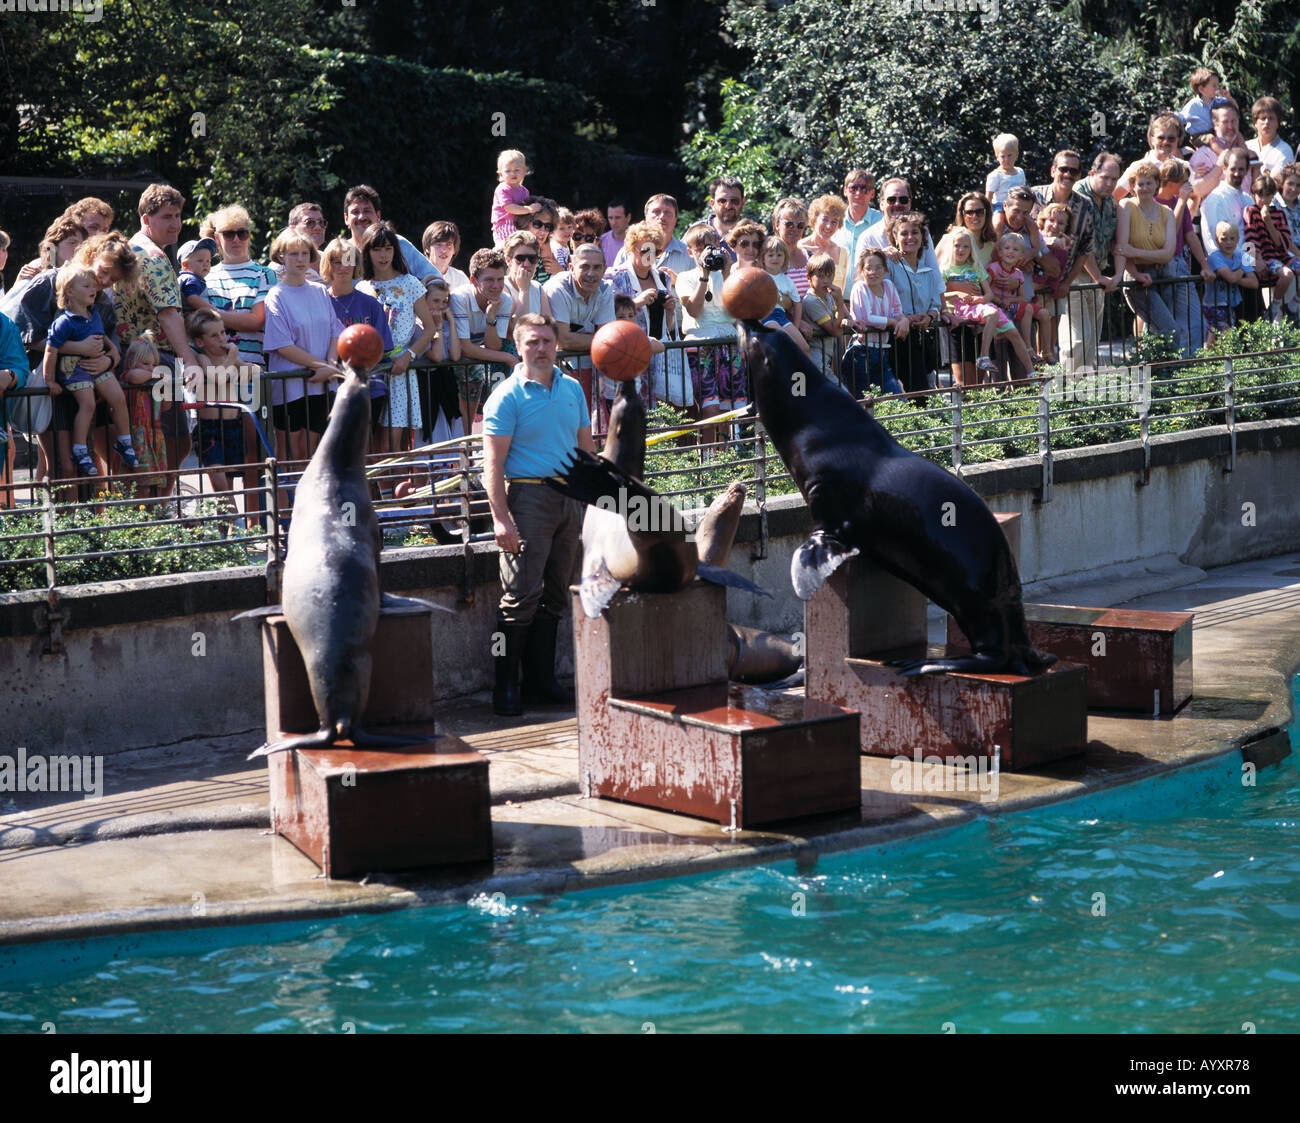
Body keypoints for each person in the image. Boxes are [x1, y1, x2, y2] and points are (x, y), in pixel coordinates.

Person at [481, 312, 597, 715]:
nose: (541, 348)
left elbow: (586, 451)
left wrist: (593, 503)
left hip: (569, 500)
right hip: (528, 498)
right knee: (518, 597)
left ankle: (540, 682)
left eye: (547, 341)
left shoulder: (572, 390)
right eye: (532, 342)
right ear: (518, 346)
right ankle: (504, 687)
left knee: (555, 596)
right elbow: (492, 463)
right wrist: (500, 518)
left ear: (556, 344)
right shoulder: (507, 395)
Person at [8, 232, 137, 484]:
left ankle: (84, 520)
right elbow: (23, 335)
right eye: (104, 271)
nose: (105, 281)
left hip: (86, 388)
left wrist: (107, 362)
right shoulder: (50, 282)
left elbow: (112, 349)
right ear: (91, 255)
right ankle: (63, 523)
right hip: (51, 387)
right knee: (62, 466)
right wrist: (77, 348)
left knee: (84, 468)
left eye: (113, 279)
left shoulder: (102, 303)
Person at [116, 183, 199, 473]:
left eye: (178, 215)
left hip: (130, 359)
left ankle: (148, 510)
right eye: (167, 216)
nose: (175, 223)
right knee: (171, 442)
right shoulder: (154, 256)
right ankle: (156, 512)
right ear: (146, 219)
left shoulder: (128, 249)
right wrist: (190, 360)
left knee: (145, 445)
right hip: (155, 361)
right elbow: (167, 315)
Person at [45, 261, 134, 477]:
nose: (93, 289)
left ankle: (124, 441)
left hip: (98, 365)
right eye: (86, 286)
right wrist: (50, 380)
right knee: (88, 404)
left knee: (118, 398)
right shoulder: (64, 321)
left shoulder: (93, 314)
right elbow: (51, 350)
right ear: (69, 291)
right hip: (75, 368)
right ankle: (79, 449)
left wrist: (113, 351)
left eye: (92, 286)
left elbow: (102, 336)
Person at [262, 228, 343, 462]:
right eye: (293, 254)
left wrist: (330, 365)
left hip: (322, 385)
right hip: (291, 386)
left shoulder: (320, 291)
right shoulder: (275, 295)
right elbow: (283, 345)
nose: (300, 259)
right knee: (289, 455)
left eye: (304, 253)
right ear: (281, 257)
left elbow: (334, 332)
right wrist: (323, 367)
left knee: (314, 454)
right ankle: (286, 500)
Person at [356, 220, 437, 454]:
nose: (383, 255)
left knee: (396, 442)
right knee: (372, 441)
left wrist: (408, 356)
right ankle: (377, 491)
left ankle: (398, 488)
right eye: (377, 249)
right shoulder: (361, 288)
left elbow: (430, 328)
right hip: (371, 369)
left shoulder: (410, 282)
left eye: (388, 248)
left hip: (400, 368)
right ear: (367, 252)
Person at [321, 237, 394, 446]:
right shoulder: (320, 302)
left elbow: (384, 347)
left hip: (369, 387)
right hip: (333, 388)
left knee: (363, 448)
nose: (343, 266)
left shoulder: (371, 304)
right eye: (336, 261)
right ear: (328, 264)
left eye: (348, 260)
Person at [938, 228, 1034, 383]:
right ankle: (984, 356)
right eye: (957, 246)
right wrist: (957, 294)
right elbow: (938, 295)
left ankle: (1031, 373)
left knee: (1014, 333)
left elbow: (988, 294)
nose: (961, 250)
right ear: (951, 247)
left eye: (966, 246)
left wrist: (979, 299)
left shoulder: (976, 267)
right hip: (960, 314)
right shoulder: (944, 269)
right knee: (965, 380)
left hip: (980, 309)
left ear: (971, 249)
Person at [608, 220, 679, 412]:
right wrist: (636, 302)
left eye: (656, 252)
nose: (650, 257)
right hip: (629, 355)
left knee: (662, 416)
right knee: (633, 414)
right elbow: (609, 318)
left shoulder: (662, 277)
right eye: (645, 251)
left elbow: (668, 326)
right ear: (631, 248)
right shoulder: (614, 276)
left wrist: (670, 311)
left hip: (658, 358)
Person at [1114, 162, 1183, 349]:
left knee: (1155, 336)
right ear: (1132, 186)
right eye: (1140, 184)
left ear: (1156, 185)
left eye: (1148, 183)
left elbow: (1168, 253)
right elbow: (1121, 247)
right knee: (1170, 332)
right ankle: (1171, 374)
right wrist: (1138, 266)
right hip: (1139, 279)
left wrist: (1135, 252)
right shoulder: (1126, 206)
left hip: (1165, 275)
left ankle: (1152, 374)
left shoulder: (1166, 212)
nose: (1144, 188)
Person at [676, 223, 741, 418]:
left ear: (719, 246)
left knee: (733, 409)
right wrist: (704, 275)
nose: (705, 253)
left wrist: (727, 272)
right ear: (690, 252)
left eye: (709, 247)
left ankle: (731, 449)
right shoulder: (685, 277)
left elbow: (736, 310)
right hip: (700, 345)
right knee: (709, 409)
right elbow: (694, 311)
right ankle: (708, 450)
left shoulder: (731, 275)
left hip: (729, 344)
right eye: (699, 249)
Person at [187, 306, 252, 501]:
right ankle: (237, 524)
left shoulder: (229, 358)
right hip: (210, 428)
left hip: (233, 425)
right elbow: (218, 378)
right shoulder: (203, 358)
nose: (222, 339)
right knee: (218, 478)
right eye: (214, 335)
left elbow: (252, 371)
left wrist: (240, 364)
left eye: (223, 332)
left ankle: (225, 528)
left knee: (228, 480)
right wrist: (232, 358)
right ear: (200, 341)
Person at [1066, 152, 1123, 370]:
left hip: (1098, 275)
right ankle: (1067, 391)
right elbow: (1082, 243)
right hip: (1076, 274)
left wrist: (1116, 276)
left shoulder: (1109, 200)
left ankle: (1086, 393)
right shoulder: (1078, 195)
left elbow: (1113, 241)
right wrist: (1099, 277)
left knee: (1092, 341)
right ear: (1092, 173)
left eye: (1114, 179)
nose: (1110, 183)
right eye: (1105, 177)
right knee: (1077, 339)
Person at [543, 242, 614, 413]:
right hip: (554, 372)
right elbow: (563, 340)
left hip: (587, 369)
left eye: (597, 267)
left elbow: (609, 335)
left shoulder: (605, 289)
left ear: (604, 270)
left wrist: (598, 339)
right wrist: (600, 339)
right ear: (571, 267)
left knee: (586, 422)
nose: (591, 274)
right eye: (584, 267)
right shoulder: (557, 288)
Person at [452, 247, 515, 433]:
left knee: (468, 415)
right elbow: (465, 348)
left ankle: (471, 450)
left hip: (471, 362)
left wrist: (491, 316)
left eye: (500, 279)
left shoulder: (504, 300)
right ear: (473, 280)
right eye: (489, 280)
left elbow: (493, 345)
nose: (496, 285)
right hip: (448, 357)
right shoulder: (459, 298)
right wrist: (507, 358)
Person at [1155, 157, 1212, 354]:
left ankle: (1191, 369)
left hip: (1180, 265)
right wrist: (1181, 201)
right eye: (1183, 182)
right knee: (1165, 324)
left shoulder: (1180, 202)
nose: (1188, 186)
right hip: (1161, 266)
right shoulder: (1153, 202)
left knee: (1195, 321)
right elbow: (1168, 234)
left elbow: (1189, 235)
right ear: (1171, 183)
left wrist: (1204, 266)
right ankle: (1165, 368)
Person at [884, 212, 944, 392]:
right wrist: (905, 319)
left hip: (923, 339)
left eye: (915, 232)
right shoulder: (888, 266)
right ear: (895, 237)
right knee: (915, 395)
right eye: (904, 233)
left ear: (922, 236)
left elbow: (936, 304)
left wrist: (929, 316)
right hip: (898, 339)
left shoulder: (928, 271)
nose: (910, 237)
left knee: (926, 390)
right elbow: (883, 300)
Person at [343, 185, 443, 292]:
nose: (362, 217)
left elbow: (437, 279)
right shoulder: (343, 253)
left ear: (378, 215)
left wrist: (419, 295)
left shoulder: (398, 244)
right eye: (355, 212)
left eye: (367, 211)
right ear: (346, 218)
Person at [1242, 172, 1300, 319]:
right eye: (1259, 195)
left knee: (1292, 270)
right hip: (1267, 258)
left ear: (1273, 195)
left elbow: (1284, 244)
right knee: (1287, 275)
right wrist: (1255, 260)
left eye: (1267, 195)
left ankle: (1294, 304)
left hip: (1281, 256)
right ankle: (1275, 306)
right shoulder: (1251, 211)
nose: (1262, 199)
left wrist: (1268, 221)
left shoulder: (1279, 214)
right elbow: (1249, 238)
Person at [855, 178, 941, 275]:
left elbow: (934, 274)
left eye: (903, 200)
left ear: (909, 203)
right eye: (891, 200)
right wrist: (879, 256)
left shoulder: (922, 232)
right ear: (881, 204)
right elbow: (859, 279)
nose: (897, 204)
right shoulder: (868, 238)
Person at [118, 331, 169, 497]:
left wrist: (166, 386)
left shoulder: (153, 383)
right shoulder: (130, 376)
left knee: (154, 485)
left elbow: (166, 406)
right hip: (137, 435)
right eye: (146, 364)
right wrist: (158, 375)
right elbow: (134, 375)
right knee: (139, 484)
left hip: (154, 435)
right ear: (132, 362)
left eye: (154, 365)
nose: (151, 368)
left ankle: (151, 516)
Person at [611, 194, 693, 276]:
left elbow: (698, 286)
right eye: (656, 212)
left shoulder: (689, 254)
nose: (662, 217)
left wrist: (678, 282)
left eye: (667, 212)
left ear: (675, 219)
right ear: (646, 217)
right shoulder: (628, 251)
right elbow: (615, 285)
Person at [1204, 221, 1258, 343]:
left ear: (1238, 239)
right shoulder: (1214, 257)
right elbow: (1231, 278)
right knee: (1227, 336)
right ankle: (1226, 360)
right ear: (1217, 240)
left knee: (1213, 336)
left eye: (1232, 238)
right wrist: (1242, 270)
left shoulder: (1240, 256)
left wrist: (1237, 274)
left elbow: (1254, 283)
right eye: (1224, 239)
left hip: (1230, 304)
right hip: (1214, 304)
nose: (1228, 242)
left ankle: (1208, 359)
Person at [1199, 148, 1255, 259]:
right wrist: (1248, 263)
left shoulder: (1248, 200)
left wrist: (1252, 261)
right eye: (1233, 169)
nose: (1237, 173)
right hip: (1226, 265)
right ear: (1224, 169)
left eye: (1241, 169)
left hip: (1248, 262)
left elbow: (1251, 235)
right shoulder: (1215, 199)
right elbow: (1217, 242)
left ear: (1247, 170)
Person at [1115, 116, 1186, 202]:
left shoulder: (1184, 167)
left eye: (1171, 139)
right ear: (1152, 139)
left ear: (1177, 140)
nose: (1166, 142)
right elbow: (1114, 196)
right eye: (1161, 138)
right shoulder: (1138, 167)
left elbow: (1194, 197)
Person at [801, 252, 849, 379]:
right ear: (809, 277)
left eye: (829, 276)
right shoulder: (811, 301)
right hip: (815, 357)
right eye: (821, 276)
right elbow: (836, 331)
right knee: (840, 394)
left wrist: (845, 320)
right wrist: (839, 301)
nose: (826, 281)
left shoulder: (828, 296)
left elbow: (837, 320)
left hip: (825, 356)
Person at [835, 169, 881, 285]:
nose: (858, 193)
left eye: (864, 189)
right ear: (845, 191)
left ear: (872, 194)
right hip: (837, 299)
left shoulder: (881, 222)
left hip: (871, 299)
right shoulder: (833, 222)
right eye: (853, 188)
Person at [799, 195, 850, 289]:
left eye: (834, 221)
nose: (828, 226)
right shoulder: (800, 248)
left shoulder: (842, 252)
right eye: (825, 219)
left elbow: (840, 293)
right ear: (814, 219)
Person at [491, 149, 541, 246]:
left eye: (517, 170)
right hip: (504, 224)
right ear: (501, 174)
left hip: (519, 224)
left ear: (524, 171)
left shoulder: (525, 191)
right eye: (508, 171)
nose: (513, 173)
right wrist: (529, 209)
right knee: (510, 246)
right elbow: (509, 207)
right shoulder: (503, 189)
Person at [515, 196, 562, 284]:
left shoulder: (546, 258)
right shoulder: (511, 254)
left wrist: (560, 272)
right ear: (525, 223)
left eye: (548, 226)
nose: (543, 231)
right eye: (537, 224)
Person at [772, 197, 811, 299]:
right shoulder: (767, 257)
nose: (794, 229)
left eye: (800, 225)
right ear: (777, 224)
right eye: (789, 224)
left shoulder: (810, 257)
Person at [1246, 97, 1294, 181]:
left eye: (1271, 118)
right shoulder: (1246, 146)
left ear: (1277, 123)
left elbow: (1274, 183)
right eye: (1263, 118)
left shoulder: (1285, 150)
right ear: (1255, 123)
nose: (1267, 122)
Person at [422, 221, 470, 292]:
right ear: (428, 248)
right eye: (438, 244)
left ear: (454, 250)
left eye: (448, 244)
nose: (444, 250)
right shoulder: (415, 275)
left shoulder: (461, 279)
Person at [704, 176, 745, 256]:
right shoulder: (694, 232)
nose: (728, 206)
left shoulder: (755, 236)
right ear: (712, 204)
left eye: (734, 201)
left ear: (743, 203)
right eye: (722, 201)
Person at [986, 133, 1026, 214]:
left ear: (1016, 155)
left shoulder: (1020, 172)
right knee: (998, 223)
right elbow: (988, 197)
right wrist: (988, 213)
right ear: (997, 157)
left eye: (1009, 155)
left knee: (1030, 222)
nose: (1006, 159)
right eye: (1002, 156)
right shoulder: (996, 175)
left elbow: (1024, 191)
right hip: (999, 206)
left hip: (1018, 206)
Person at [1180, 67, 1222, 140]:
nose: (1217, 88)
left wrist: (1230, 98)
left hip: (1216, 134)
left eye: (1218, 85)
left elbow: (1234, 109)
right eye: (1214, 85)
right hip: (1199, 136)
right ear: (1201, 89)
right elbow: (1182, 117)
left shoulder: (1220, 101)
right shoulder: (1194, 104)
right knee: (1211, 139)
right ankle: (1223, 151)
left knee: (1237, 135)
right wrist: (1173, 115)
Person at [177, 237, 217, 312]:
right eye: (200, 261)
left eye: (208, 261)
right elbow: (192, 299)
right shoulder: (191, 279)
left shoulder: (196, 278)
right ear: (185, 265)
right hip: (196, 318)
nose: (206, 264)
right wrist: (214, 311)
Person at [600, 199, 630, 268]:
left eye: (617, 217)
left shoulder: (638, 241)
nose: (613, 222)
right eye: (610, 218)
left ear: (628, 217)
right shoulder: (601, 241)